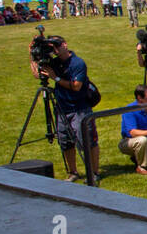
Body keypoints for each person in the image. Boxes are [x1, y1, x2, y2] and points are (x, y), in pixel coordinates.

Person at [37, 36, 102, 180]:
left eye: (56, 47)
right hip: (62, 109)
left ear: (64, 45)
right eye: (51, 48)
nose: (54, 51)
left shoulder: (78, 63)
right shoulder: (54, 63)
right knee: (65, 142)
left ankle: (94, 172)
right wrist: (33, 56)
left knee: (87, 141)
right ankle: (73, 172)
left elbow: (76, 86)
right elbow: (37, 74)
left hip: (80, 108)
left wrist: (56, 78)